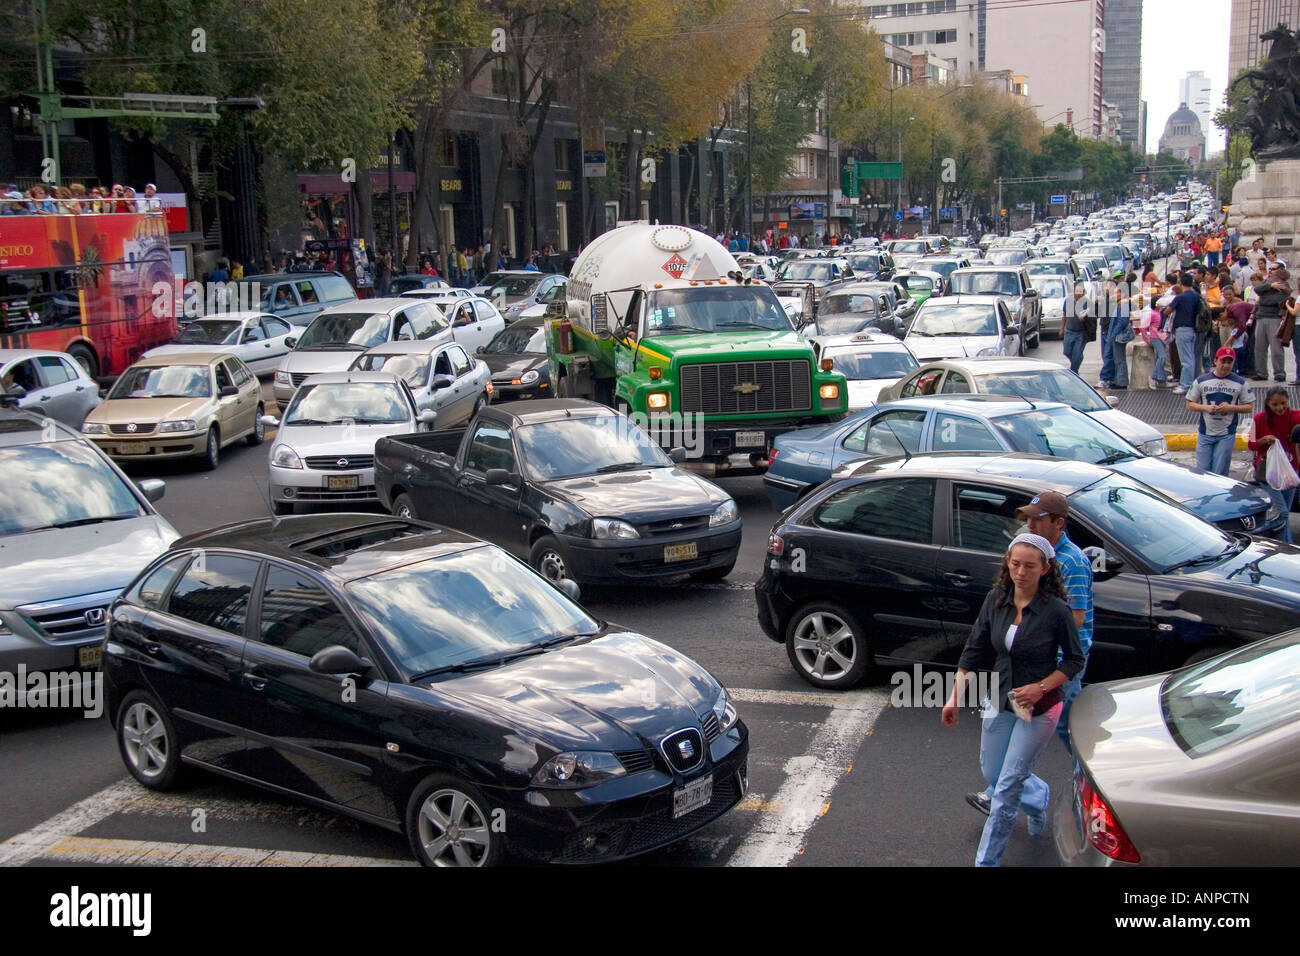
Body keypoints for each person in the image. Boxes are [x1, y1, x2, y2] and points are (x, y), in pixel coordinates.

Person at [941, 532, 1084, 867]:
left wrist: (1042, 687)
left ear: (1045, 569)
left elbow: (1075, 661)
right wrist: (953, 700)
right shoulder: (996, 599)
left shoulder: (1056, 611)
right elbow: (973, 649)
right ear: (1007, 562)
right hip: (1000, 699)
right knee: (994, 772)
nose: (1021, 572)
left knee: (1004, 790)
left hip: (1040, 708)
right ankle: (1037, 798)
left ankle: (986, 862)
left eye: (1030, 566)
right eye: (1016, 564)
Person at [967, 492, 1094, 819]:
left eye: (1039, 519)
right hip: (1031, 662)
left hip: (1059, 664)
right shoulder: (1033, 553)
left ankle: (1093, 795)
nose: (1030, 524)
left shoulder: (1072, 561)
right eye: (1028, 518)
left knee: (1068, 732)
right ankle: (1007, 791)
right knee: (1021, 730)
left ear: (1058, 523)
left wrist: (1037, 621)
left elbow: (1076, 617)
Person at [1187, 346, 1254, 476]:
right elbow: (1189, 404)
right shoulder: (1201, 381)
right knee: (1202, 472)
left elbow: (1249, 406)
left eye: (1229, 362)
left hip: (1226, 434)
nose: (1226, 365)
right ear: (1215, 361)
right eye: (1223, 361)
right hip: (1205, 433)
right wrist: (1206, 408)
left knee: (1220, 473)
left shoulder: (1240, 383)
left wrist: (1231, 408)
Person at [1248, 387, 1300, 544]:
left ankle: (1284, 546)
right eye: (1275, 404)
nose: (1280, 408)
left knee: (1284, 514)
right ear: (1268, 404)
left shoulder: (1296, 417)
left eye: (1283, 403)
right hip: (1269, 472)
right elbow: (1251, 444)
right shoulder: (1259, 418)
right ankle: (1260, 536)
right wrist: (1263, 441)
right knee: (1283, 513)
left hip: (1290, 470)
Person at [1253, 265, 1292, 382]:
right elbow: (1257, 289)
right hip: (1261, 317)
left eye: (1273, 269)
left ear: (1280, 271)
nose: (1270, 271)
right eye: (1269, 269)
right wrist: (1270, 285)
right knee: (1259, 347)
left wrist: (1262, 299)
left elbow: (1273, 301)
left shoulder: (1284, 287)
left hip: (1274, 318)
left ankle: (1279, 372)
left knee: (1276, 348)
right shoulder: (1266, 283)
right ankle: (1261, 372)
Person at [1165, 273, 1201, 393]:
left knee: (1185, 360)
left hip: (1182, 329)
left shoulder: (1180, 297)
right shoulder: (1196, 296)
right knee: (1191, 357)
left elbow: (1167, 311)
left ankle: (1186, 385)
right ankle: (1191, 383)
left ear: (1181, 283)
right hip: (1193, 329)